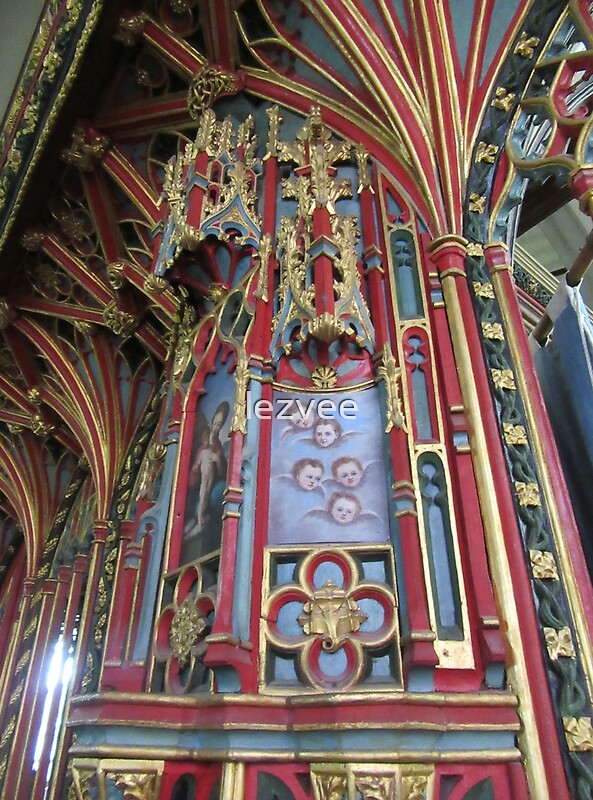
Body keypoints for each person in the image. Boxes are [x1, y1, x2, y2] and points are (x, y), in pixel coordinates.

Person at [185, 401, 229, 538]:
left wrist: (218, 460)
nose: (216, 427)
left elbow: (222, 473)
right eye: (215, 423)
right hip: (197, 479)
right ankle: (196, 522)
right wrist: (200, 461)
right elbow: (196, 460)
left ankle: (199, 521)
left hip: (209, 480)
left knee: (206, 496)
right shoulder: (203, 436)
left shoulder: (218, 445)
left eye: (220, 425)